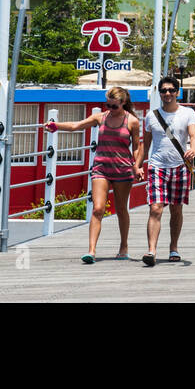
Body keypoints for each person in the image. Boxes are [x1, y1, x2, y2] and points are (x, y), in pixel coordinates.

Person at [48, 86, 141, 264]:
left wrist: (137, 167)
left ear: (123, 103)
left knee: (121, 209)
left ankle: (123, 246)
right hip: (101, 168)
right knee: (98, 208)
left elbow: (137, 147)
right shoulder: (101, 118)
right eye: (108, 105)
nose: (111, 109)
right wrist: (55, 126)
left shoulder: (132, 121)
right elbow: (77, 125)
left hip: (122, 170)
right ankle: (91, 250)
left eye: (114, 106)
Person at [136, 74, 195, 266]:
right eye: (164, 90)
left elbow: (194, 134)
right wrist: (138, 165)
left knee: (176, 209)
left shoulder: (187, 113)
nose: (168, 93)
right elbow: (144, 145)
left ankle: (174, 247)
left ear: (177, 92)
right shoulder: (152, 116)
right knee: (155, 208)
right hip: (157, 166)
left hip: (179, 166)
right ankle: (151, 251)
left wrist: (193, 149)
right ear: (159, 93)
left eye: (171, 90)